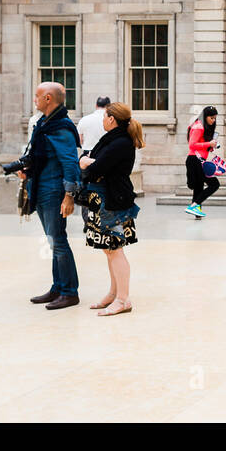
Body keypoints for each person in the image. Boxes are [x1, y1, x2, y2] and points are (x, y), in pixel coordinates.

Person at [19, 82, 82, 310]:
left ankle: (69, 292)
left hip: (54, 191)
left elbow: (69, 162)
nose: (34, 100)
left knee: (58, 241)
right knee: (53, 241)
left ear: (48, 98)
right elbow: (42, 156)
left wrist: (69, 195)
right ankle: (58, 287)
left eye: (37, 96)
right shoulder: (45, 124)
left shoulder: (61, 126)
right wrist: (27, 170)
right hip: (42, 188)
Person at [79, 102, 142, 317]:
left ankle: (123, 298)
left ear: (112, 119)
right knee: (109, 250)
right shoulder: (112, 140)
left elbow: (97, 167)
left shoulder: (120, 143)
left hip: (113, 200)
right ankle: (114, 293)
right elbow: (96, 164)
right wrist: (89, 161)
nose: (103, 120)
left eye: (105, 116)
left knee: (115, 249)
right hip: (105, 198)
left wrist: (87, 161)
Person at [184, 105, 220, 219]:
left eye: (215, 118)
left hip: (198, 159)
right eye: (211, 118)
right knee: (214, 184)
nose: (213, 120)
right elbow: (192, 145)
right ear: (205, 116)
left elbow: (199, 144)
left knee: (198, 187)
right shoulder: (199, 127)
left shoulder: (201, 126)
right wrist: (208, 144)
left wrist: (210, 147)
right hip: (195, 160)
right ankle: (193, 206)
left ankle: (197, 213)